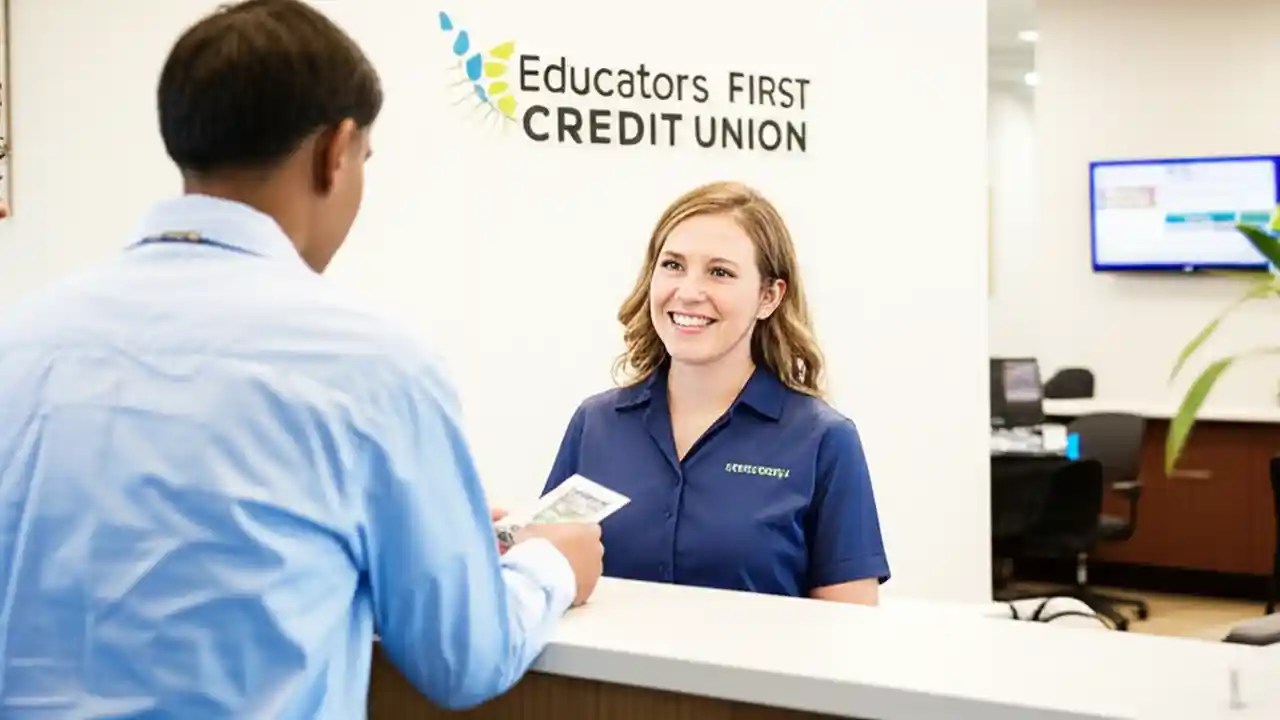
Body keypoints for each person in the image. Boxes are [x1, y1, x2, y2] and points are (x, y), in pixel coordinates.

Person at [0, 2, 602, 717]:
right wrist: (547, 566)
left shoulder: (23, 342)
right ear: (336, 151)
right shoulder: (373, 366)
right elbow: (460, 657)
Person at [543, 181, 889, 604]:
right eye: (672, 265)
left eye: (720, 272)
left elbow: (849, 633)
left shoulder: (824, 440)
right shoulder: (595, 425)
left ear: (769, 296)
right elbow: (547, 579)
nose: (688, 292)